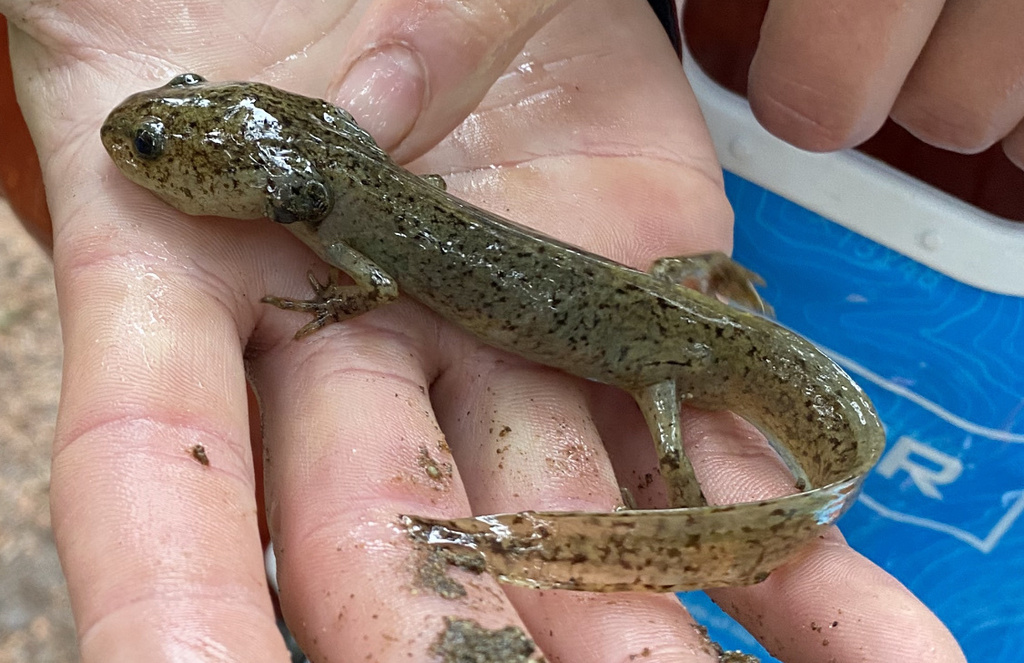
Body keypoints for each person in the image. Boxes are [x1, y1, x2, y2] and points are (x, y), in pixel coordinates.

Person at [4, 0, 1005, 660]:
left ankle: (697, 512)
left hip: (664, 325)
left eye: (159, 140)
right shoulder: (332, 179)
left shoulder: (334, 216)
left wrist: (333, 303)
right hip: (652, 289)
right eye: (164, 128)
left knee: (674, 440)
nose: (147, 141)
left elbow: (372, 282)